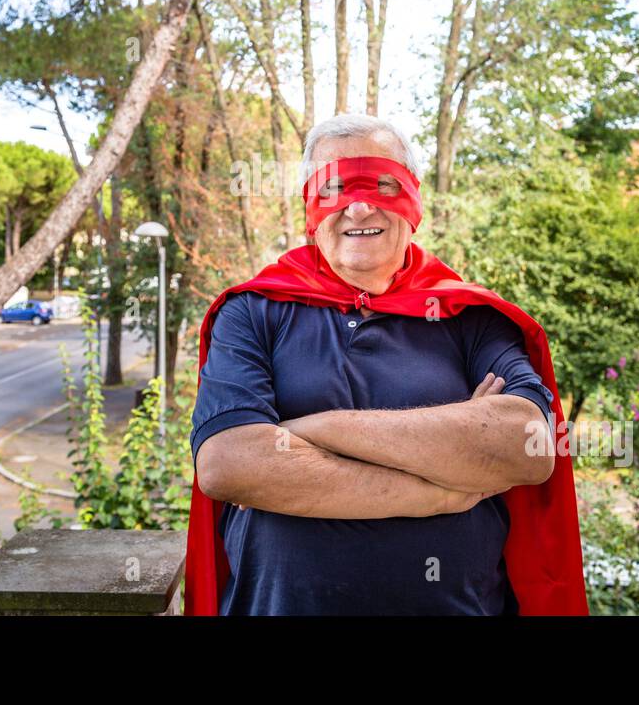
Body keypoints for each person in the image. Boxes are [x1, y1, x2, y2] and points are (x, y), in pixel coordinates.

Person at [184, 114, 587, 615]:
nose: (357, 206)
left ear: (413, 199)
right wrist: (439, 491)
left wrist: (306, 431)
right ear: (311, 206)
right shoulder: (252, 311)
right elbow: (227, 464)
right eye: (334, 188)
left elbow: (527, 445)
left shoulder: (467, 314)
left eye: (382, 184)